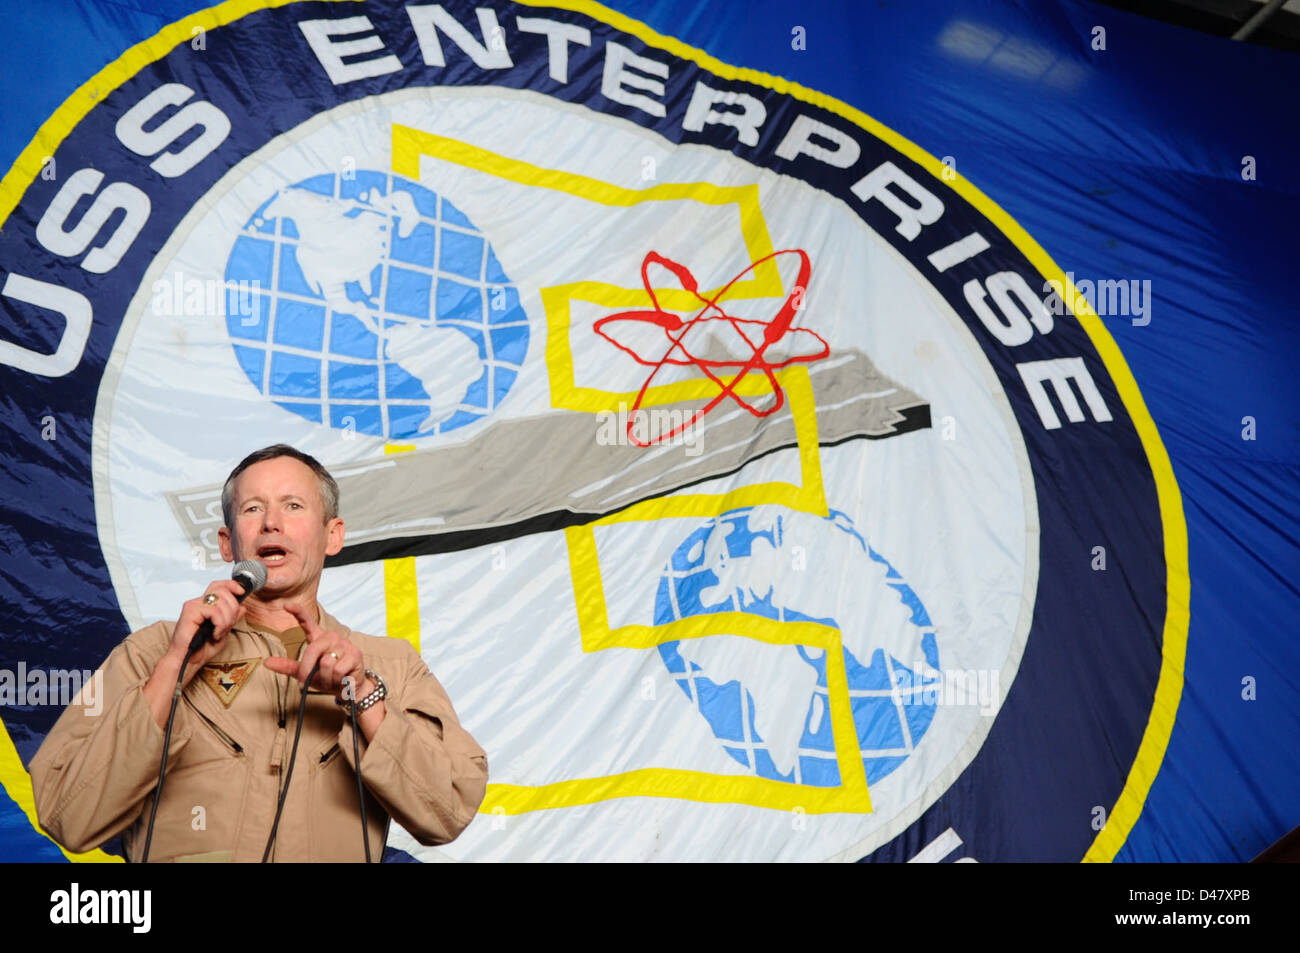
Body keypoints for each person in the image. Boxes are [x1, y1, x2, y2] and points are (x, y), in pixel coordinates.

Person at [30, 444, 488, 862]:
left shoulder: (388, 665)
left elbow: (445, 813)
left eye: (293, 506)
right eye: (253, 509)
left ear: (333, 535)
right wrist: (176, 667)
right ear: (228, 543)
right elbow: (68, 816)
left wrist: (362, 696)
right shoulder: (152, 652)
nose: (272, 522)